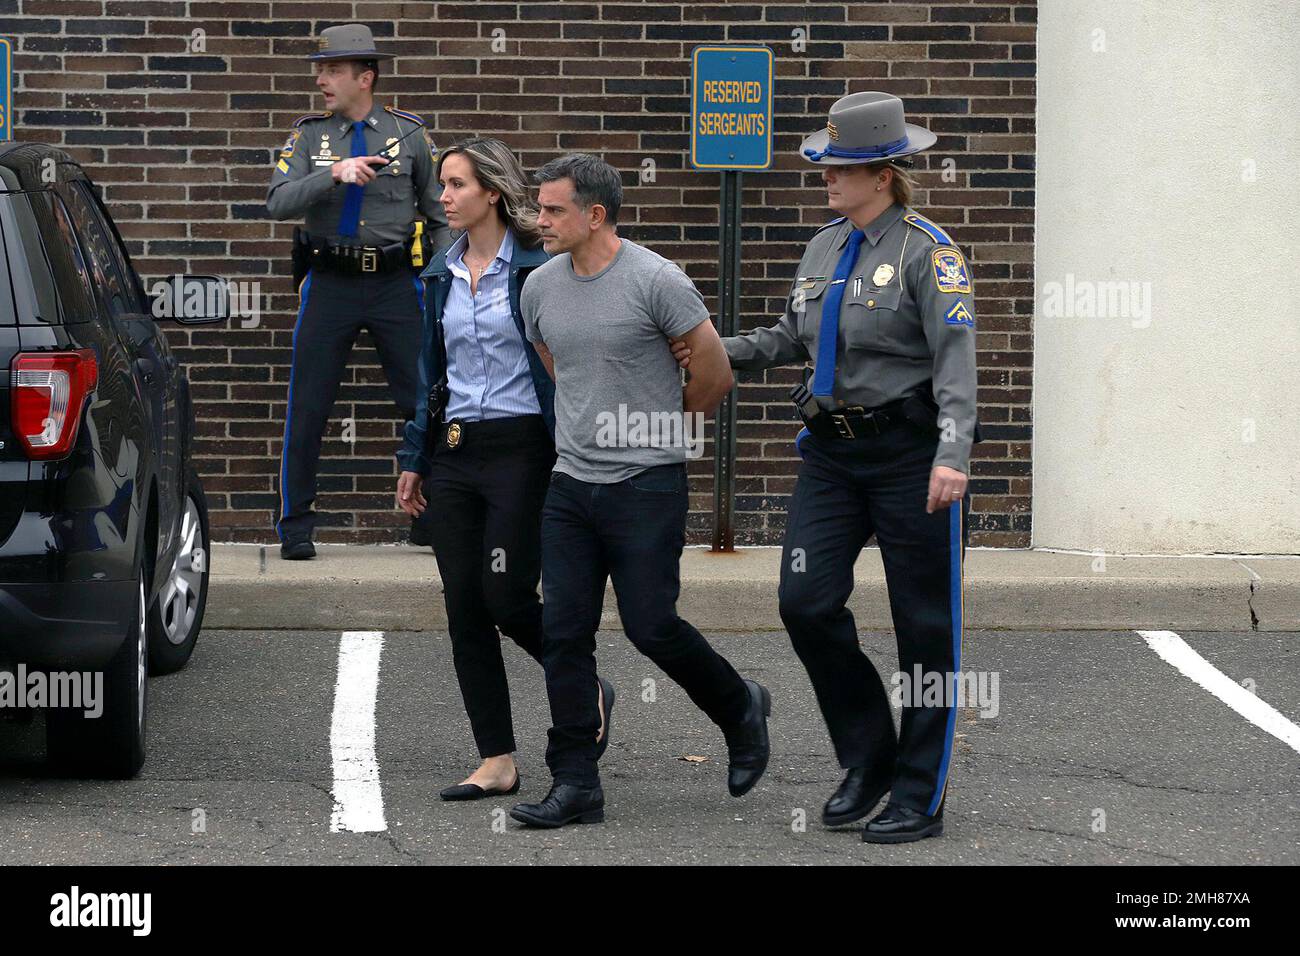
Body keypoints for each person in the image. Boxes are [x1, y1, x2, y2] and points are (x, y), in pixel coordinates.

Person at [673, 92, 978, 843]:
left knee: (925, 629)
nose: (826, 182)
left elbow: (957, 364)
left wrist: (952, 455)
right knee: (805, 603)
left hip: (911, 459)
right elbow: (789, 337)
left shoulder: (928, 252)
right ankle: (868, 756)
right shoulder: (823, 247)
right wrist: (705, 346)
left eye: (839, 171)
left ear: (881, 174)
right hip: (834, 458)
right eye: (826, 169)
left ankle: (919, 792)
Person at [508, 154, 771, 829]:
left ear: (595, 215)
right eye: (540, 208)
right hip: (570, 484)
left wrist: (654, 429)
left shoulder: (658, 280)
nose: (540, 221)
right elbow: (560, 370)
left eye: (554, 210)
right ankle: (576, 782)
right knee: (564, 634)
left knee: (652, 626)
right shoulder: (538, 287)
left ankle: (740, 705)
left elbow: (714, 378)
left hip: (646, 484)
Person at [393, 138, 614, 800]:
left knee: (505, 594)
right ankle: (496, 758)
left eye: (456, 184)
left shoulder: (536, 269)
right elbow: (431, 375)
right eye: (442, 185)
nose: (444, 197)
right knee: (463, 606)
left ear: (492, 192)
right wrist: (414, 457)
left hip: (524, 449)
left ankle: (582, 683)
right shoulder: (440, 273)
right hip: (457, 451)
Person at [266, 23, 451, 560]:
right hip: (330, 285)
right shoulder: (307, 136)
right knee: (308, 408)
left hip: (396, 284)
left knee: (423, 400)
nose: (322, 79)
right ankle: (296, 525)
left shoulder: (410, 134)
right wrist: (333, 175)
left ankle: (430, 516)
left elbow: (440, 215)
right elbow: (276, 202)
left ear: (364, 77)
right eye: (321, 69)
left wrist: (443, 277)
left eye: (332, 70)